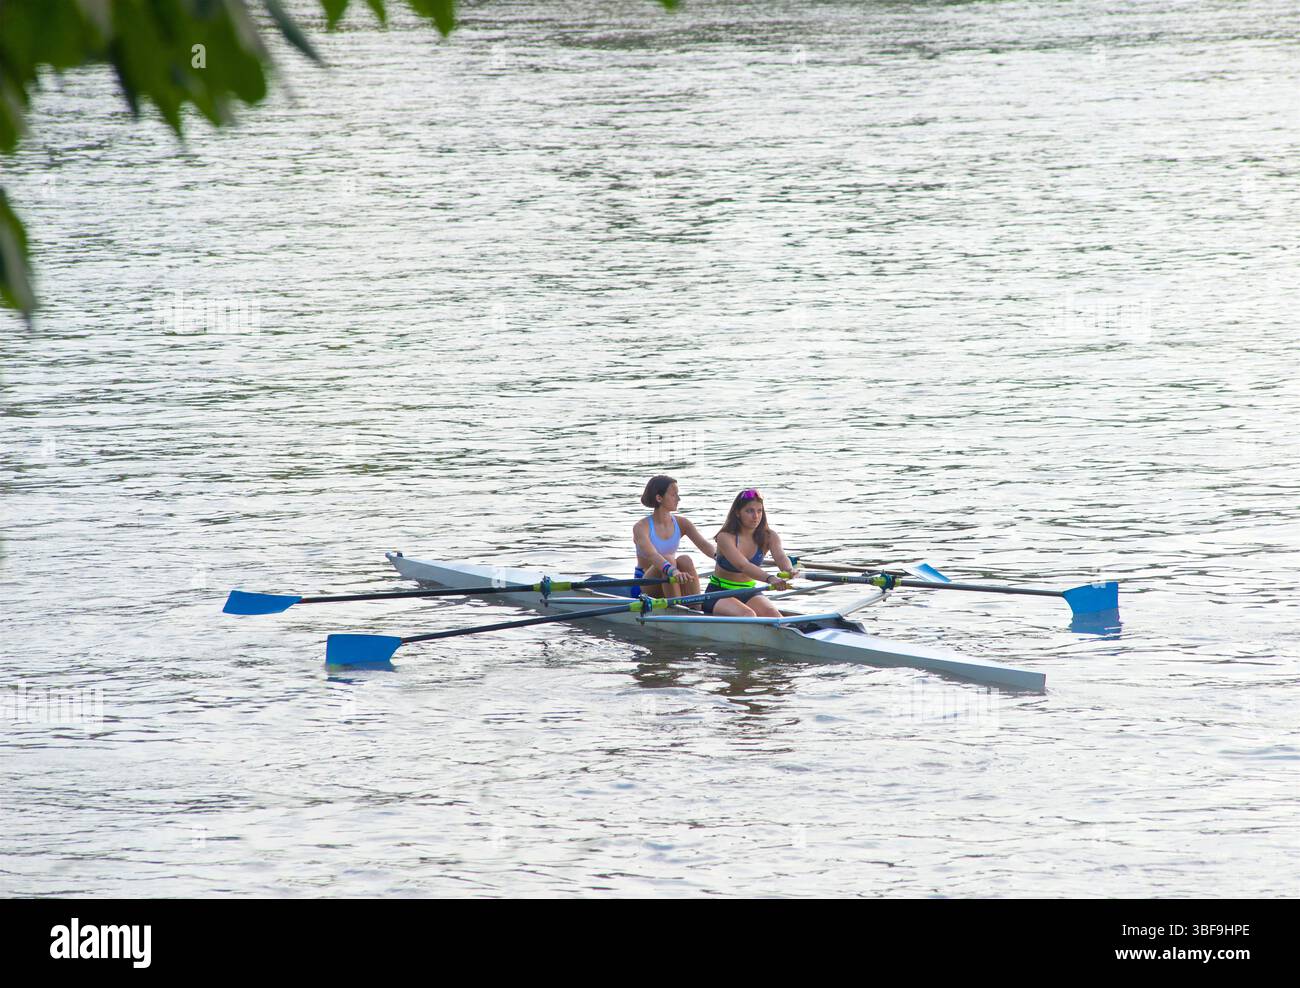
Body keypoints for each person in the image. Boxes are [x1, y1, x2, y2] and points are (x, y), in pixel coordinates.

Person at [705, 488, 797, 617]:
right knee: (748, 615)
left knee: (775, 616)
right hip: (719, 593)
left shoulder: (769, 536)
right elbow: (743, 565)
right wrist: (770, 579)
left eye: (759, 511)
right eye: (750, 511)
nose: (756, 516)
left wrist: (788, 570)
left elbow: (781, 556)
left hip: (748, 590)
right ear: (737, 513)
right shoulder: (725, 537)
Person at [631, 475, 716, 600]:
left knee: (685, 560)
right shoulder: (641, 527)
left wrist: (721, 559)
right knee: (669, 559)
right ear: (659, 498)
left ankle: (696, 607)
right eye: (674, 495)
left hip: (669, 579)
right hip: (643, 585)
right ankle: (677, 608)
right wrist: (673, 571)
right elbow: (652, 555)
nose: (679, 499)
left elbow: (704, 545)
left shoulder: (683, 523)